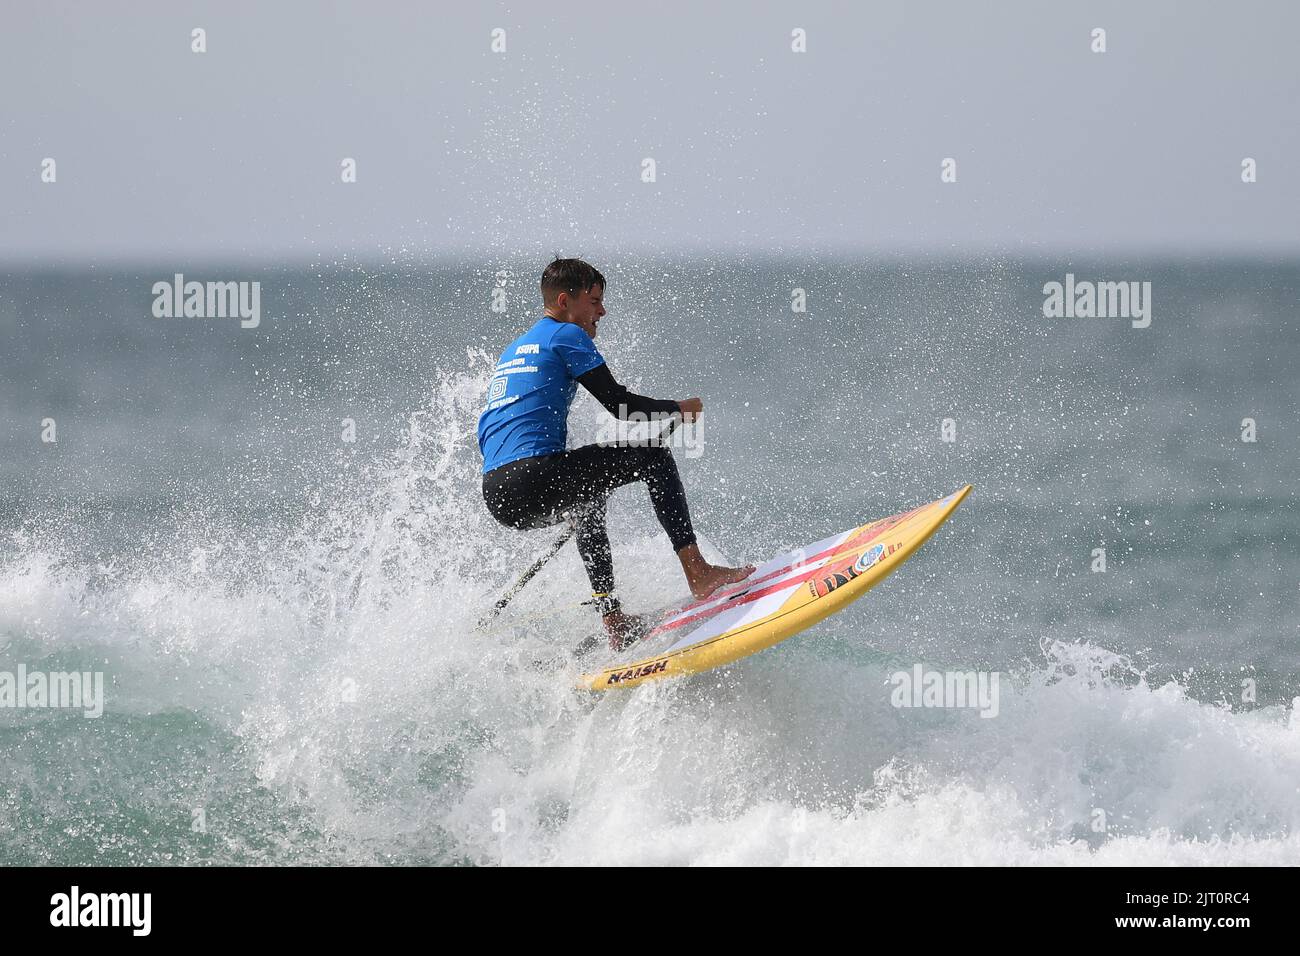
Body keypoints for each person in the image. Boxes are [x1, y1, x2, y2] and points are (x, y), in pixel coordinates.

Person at [478, 258, 754, 650]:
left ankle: (613, 619)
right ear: (563, 301)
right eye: (593, 302)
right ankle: (699, 572)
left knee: (587, 499)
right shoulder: (565, 335)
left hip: (499, 494)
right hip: (533, 474)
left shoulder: (516, 349)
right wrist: (678, 409)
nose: (601, 312)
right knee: (653, 456)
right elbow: (620, 405)